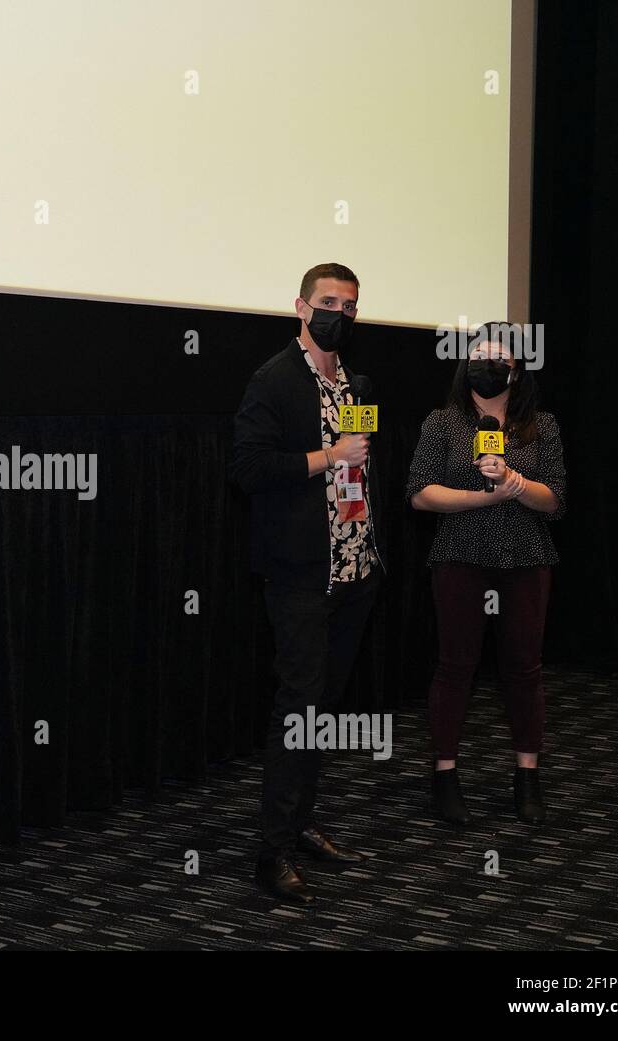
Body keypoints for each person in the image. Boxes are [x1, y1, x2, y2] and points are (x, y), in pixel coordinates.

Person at [228, 262, 383, 906]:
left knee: (323, 710)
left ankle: (300, 824)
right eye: (327, 302)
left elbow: (368, 465)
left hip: (355, 568)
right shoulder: (274, 381)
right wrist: (329, 457)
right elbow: (249, 467)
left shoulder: (359, 382)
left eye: (348, 306)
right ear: (299, 307)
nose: (337, 314)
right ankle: (271, 852)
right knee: (299, 708)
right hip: (300, 573)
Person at [405, 324, 566, 826]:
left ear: (516, 372)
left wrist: (515, 483)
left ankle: (527, 776)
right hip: (459, 557)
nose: (488, 367)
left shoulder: (542, 425)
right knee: (456, 666)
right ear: (464, 367)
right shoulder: (442, 423)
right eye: (479, 358)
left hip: (526, 559)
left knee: (524, 670)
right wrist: (483, 497)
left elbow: (556, 502)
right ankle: (445, 775)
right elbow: (419, 492)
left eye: (499, 360)